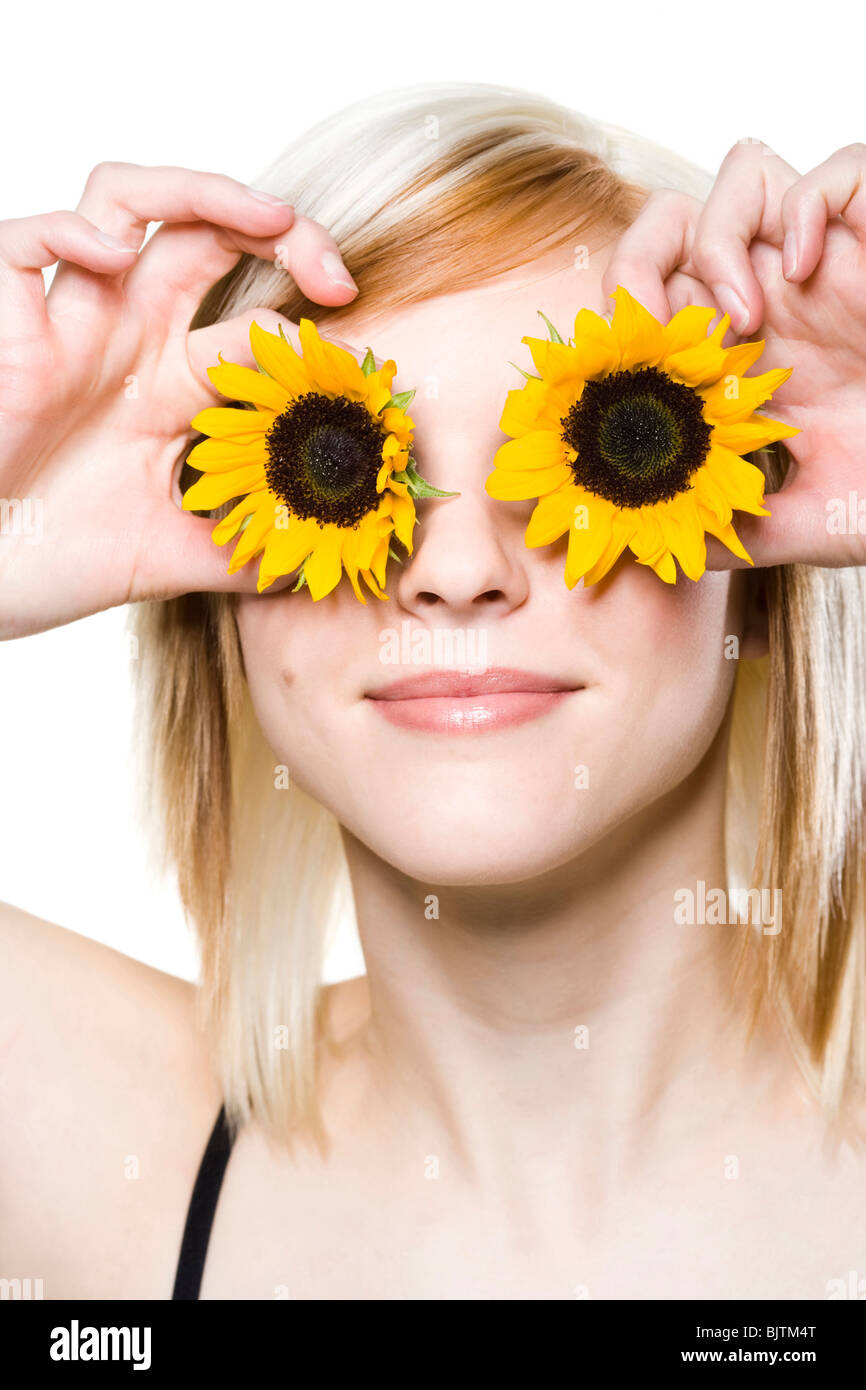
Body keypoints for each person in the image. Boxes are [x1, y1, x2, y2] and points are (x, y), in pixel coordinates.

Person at [2, 82, 865, 1300]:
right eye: (332, 467)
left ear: (765, 572)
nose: (456, 574)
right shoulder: (77, 1148)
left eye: (625, 442)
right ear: (211, 599)